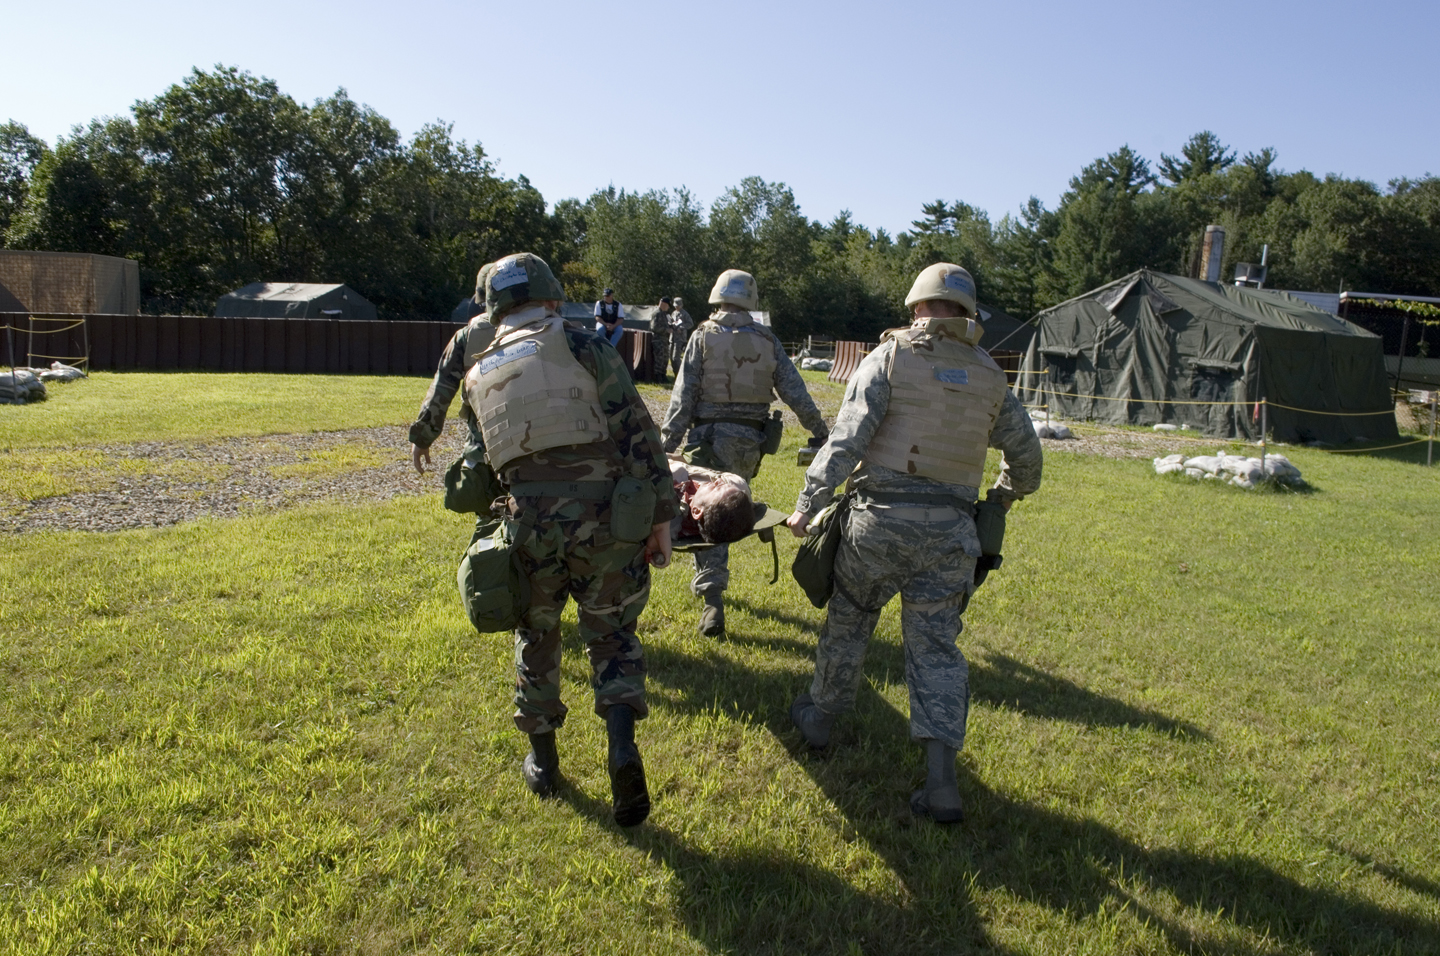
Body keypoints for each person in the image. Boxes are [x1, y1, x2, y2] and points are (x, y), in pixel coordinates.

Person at [783, 263, 1043, 824]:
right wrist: (1000, 498)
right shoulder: (990, 376)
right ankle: (942, 785)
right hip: (952, 535)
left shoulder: (890, 357)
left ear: (917, 306)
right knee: (936, 651)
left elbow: (846, 441)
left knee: (849, 620)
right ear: (967, 312)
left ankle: (820, 721)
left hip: (877, 526)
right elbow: (1028, 461)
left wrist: (808, 504)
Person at [463, 253, 678, 827]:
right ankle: (621, 746)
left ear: (495, 311)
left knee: (536, 635)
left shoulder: (476, 373)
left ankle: (544, 760)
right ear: (553, 299)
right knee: (612, 633)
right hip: (607, 523)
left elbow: (481, 470)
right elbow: (638, 435)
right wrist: (661, 517)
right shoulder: (586, 347)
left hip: (528, 526)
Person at [661, 269, 829, 637]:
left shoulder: (702, 336)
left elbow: (682, 397)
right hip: (750, 443)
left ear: (717, 296)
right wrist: (820, 430)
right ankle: (714, 587)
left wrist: (665, 446)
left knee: (708, 512)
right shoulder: (767, 340)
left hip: (707, 438)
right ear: (750, 299)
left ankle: (712, 597)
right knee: (730, 505)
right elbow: (795, 391)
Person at [409, 262, 500, 541]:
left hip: (487, 451)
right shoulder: (553, 331)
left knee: (491, 529)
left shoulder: (468, 336)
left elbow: (442, 389)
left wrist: (423, 438)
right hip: (544, 451)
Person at [667, 455, 756, 544]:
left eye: (715, 487)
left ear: (696, 511)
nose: (717, 481)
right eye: (723, 483)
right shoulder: (737, 487)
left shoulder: (669, 515)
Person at [649, 296, 674, 381]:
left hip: (664, 340)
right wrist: (666, 330)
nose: (668, 307)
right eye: (668, 305)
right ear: (663, 304)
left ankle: (663, 374)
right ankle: (658, 376)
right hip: (658, 340)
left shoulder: (664, 314)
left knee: (665, 358)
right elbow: (654, 327)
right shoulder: (657, 313)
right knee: (659, 358)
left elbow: (667, 324)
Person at [668, 296, 693, 378]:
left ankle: (680, 376)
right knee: (671, 358)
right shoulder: (673, 313)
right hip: (672, 338)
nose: (676, 307)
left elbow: (690, 324)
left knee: (676, 358)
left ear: (681, 305)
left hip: (680, 339)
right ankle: (676, 374)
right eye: (675, 305)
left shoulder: (685, 314)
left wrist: (681, 328)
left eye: (678, 305)